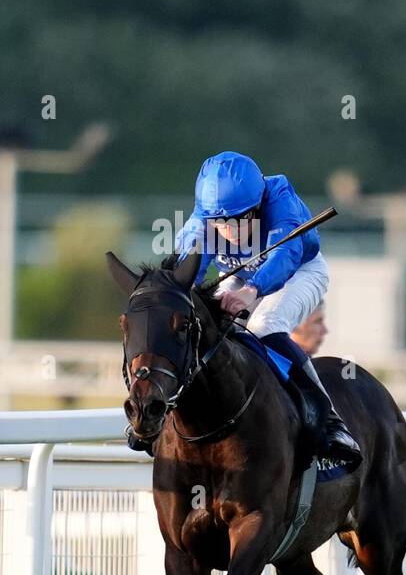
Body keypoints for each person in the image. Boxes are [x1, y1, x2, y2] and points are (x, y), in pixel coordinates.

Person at [132, 150, 361, 468]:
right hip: (242, 276)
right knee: (204, 325)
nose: (229, 229)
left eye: (239, 219)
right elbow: (187, 272)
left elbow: (287, 255)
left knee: (265, 325)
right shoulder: (203, 220)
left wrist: (253, 290)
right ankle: (164, 411)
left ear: (257, 206)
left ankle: (330, 422)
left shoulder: (279, 197)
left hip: (299, 272)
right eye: (220, 222)